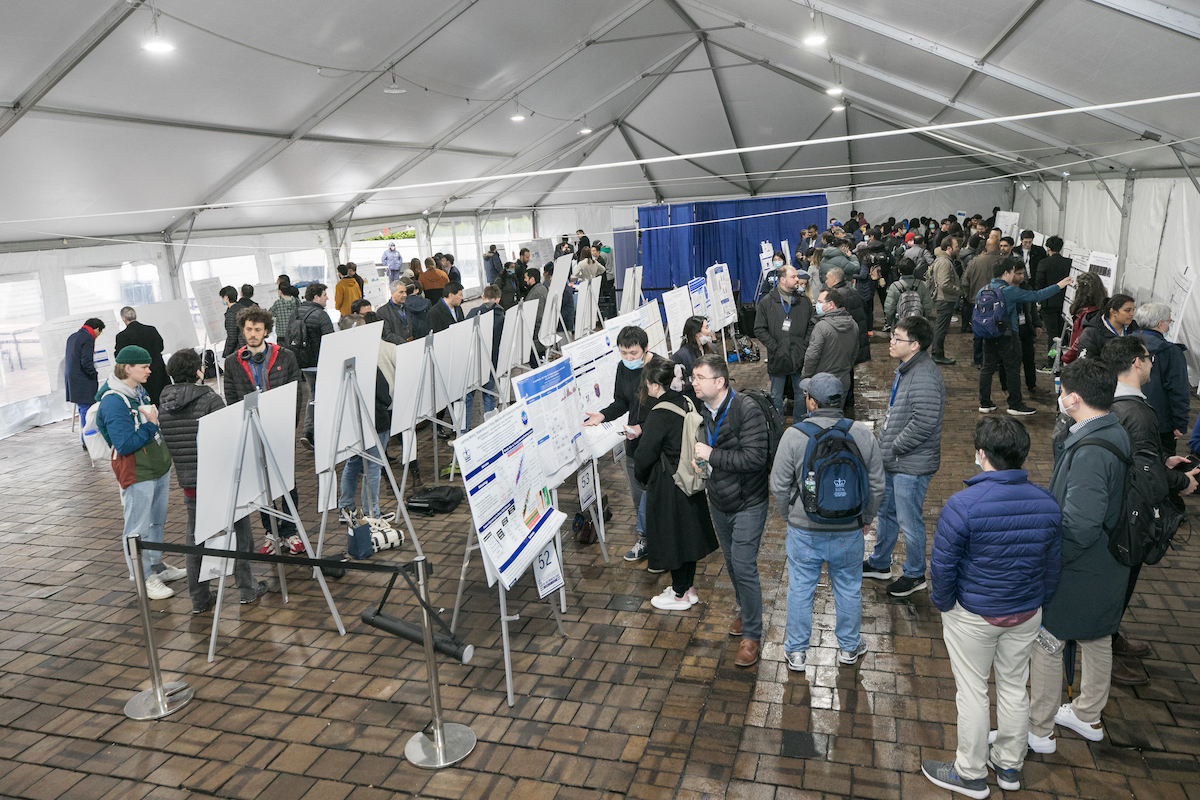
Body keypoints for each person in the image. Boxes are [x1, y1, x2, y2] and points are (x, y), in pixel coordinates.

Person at [921, 416, 1061, 797]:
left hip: (975, 614)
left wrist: (944, 605)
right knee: (1015, 687)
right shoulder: (1047, 504)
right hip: (1026, 611)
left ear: (981, 454)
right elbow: (1052, 566)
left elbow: (943, 567)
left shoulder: (963, 505)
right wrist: (1040, 601)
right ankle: (1009, 765)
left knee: (972, 691)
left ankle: (969, 772)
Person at [1028, 359, 1130, 752]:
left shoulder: (1090, 452)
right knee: (1097, 635)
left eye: (1062, 391)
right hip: (1107, 564)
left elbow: (1080, 525)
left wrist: (1051, 562)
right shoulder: (1113, 430)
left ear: (1073, 399)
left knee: (1048, 640)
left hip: (1081, 567)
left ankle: (1039, 730)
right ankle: (1088, 714)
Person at [772, 373, 885, 670]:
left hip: (804, 529)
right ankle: (849, 647)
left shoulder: (794, 435)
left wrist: (789, 515)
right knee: (848, 588)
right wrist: (866, 518)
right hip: (849, 529)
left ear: (812, 402)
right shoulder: (861, 433)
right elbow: (877, 484)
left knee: (800, 588)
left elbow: (779, 485)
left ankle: (797, 652)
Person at [1103, 336, 1198, 686]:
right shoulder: (1137, 411)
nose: (1152, 363)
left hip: (1115, 506)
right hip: (1129, 512)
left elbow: (1135, 455)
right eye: (1148, 357)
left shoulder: (1111, 400)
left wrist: (1163, 459)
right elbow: (1145, 472)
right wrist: (1180, 480)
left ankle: (1110, 638)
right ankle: (1104, 652)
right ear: (1136, 362)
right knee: (1119, 583)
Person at [159, 349, 267, 612]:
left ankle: (199, 598)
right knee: (241, 534)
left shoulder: (163, 404)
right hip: (221, 481)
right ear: (198, 371)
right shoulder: (210, 399)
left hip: (190, 484)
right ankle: (247, 588)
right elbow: (229, 438)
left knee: (196, 541)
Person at [690, 355, 769, 666]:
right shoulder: (705, 410)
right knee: (733, 562)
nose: (693, 383)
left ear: (720, 382)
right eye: (693, 377)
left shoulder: (746, 410)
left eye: (700, 377)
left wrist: (712, 455)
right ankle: (745, 610)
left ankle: (752, 635)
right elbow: (714, 448)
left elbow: (755, 459)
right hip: (720, 500)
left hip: (749, 501)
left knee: (744, 565)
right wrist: (703, 461)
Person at [863, 316, 945, 597]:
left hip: (910, 464)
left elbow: (924, 422)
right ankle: (879, 563)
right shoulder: (908, 369)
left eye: (897, 338)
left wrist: (895, 446)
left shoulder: (924, 376)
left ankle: (914, 574)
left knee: (909, 522)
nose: (891, 342)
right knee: (887, 513)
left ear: (915, 345)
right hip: (896, 461)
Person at [95, 345, 183, 600]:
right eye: (144, 366)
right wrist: (151, 425)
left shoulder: (137, 390)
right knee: (137, 528)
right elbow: (124, 445)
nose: (149, 370)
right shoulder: (113, 401)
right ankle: (143, 576)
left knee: (156, 521)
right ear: (127, 368)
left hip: (156, 467)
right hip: (137, 473)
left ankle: (155, 566)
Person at [634, 359, 719, 611]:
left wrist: (642, 477)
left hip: (669, 483)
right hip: (690, 477)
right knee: (688, 537)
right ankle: (688, 587)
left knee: (672, 539)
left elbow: (644, 455)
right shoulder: (686, 401)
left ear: (652, 384)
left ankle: (680, 593)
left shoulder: (659, 413)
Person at [223, 306, 305, 552]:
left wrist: (289, 425)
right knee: (260, 484)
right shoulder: (232, 362)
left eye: (257, 329)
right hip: (251, 431)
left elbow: (296, 394)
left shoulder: (285, 356)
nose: (252, 334)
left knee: (287, 482)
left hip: (279, 429)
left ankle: (290, 531)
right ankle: (271, 531)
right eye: (248, 329)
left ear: (266, 331)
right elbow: (231, 398)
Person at [584, 326, 653, 563]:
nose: (629, 358)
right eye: (623, 353)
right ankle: (645, 539)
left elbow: (668, 409)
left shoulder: (659, 368)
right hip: (634, 444)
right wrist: (603, 415)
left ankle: (662, 541)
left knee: (657, 497)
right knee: (639, 497)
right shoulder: (623, 368)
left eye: (633, 353)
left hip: (658, 444)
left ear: (645, 348)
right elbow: (622, 402)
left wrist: (642, 427)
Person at [978, 258, 1071, 416]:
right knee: (1012, 369)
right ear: (1006, 273)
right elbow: (1035, 296)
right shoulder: (1009, 291)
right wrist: (1059, 286)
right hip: (1009, 336)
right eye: (1013, 272)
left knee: (987, 368)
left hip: (988, 334)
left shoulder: (983, 290)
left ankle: (985, 403)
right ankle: (1015, 404)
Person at [334, 315, 393, 520]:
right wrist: (386, 404)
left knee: (353, 463)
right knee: (373, 466)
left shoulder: (337, 359)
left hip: (350, 421)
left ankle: (346, 508)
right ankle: (371, 512)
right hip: (375, 419)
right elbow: (383, 391)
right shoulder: (366, 357)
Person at [754, 265, 814, 421]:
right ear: (782, 280)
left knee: (801, 394)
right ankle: (777, 425)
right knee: (776, 396)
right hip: (778, 357)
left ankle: (800, 426)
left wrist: (804, 344)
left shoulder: (804, 301)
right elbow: (759, 329)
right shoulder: (767, 302)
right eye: (793, 277)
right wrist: (775, 347)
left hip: (799, 356)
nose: (797, 279)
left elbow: (812, 324)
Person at [1133, 303, 1191, 454]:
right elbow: (1179, 390)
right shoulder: (1171, 352)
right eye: (1169, 321)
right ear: (1160, 324)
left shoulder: (1121, 344)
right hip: (1160, 423)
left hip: (1125, 417)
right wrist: (1180, 423)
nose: (1169, 325)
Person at [996, 265, 1044, 400]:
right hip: (1010, 330)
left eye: (1023, 273)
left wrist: (1037, 324)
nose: (1021, 276)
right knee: (1007, 361)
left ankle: (1032, 385)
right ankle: (1006, 387)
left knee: (1029, 358)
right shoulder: (1004, 290)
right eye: (1018, 273)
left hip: (1025, 328)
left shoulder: (1026, 288)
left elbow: (1032, 307)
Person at [295, 283, 334, 449]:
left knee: (313, 395)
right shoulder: (321, 315)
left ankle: (308, 433)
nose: (327, 298)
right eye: (325, 295)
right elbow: (330, 340)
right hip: (320, 362)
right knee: (324, 397)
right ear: (316, 297)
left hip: (304, 364)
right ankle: (321, 434)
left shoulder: (296, 312)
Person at [462, 284, 505, 433]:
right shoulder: (502, 316)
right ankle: (493, 430)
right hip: (492, 361)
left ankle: (463, 432)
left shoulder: (473, 313)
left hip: (473, 362)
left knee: (468, 398)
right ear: (498, 299)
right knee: (489, 395)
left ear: (483, 297)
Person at [802, 289, 858, 394]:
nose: (817, 305)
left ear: (831, 305)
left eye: (820, 302)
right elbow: (854, 353)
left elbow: (812, 356)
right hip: (843, 381)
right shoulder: (853, 324)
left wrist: (806, 376)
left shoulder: (821, 326)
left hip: (821, 383)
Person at [115, 307, 169, 404]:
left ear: (123, 319)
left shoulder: (122, 336)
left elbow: (120, 357)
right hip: (159, 370)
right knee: (164, 399)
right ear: (136, 316)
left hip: (139, 374)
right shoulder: (151, 330)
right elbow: (161, 347)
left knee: (148, 402)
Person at [65, 317, 106, 446]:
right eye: (100, 332)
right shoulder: (88, 338)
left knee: (82, 408)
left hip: (72, 378)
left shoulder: (72, 336)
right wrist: (94, 373)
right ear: (97, 329)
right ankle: (88, 440)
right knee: (87, 410)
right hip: (83, 378)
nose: (98, 336)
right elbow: (86, 361)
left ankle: (85, 439)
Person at [962, 238, 1002, 365]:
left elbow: (965, 282)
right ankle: (994, 360)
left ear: (986, 247)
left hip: (977, 301)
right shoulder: (1003, 262)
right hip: (998, 302)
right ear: (999, 247)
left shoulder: (975, 261)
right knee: (996, 330)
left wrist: (969, 297)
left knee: (978, 331)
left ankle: (978, 359)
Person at [1035, 236, 1071, 367]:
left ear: (1047, 248)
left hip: (1048, 303)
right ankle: (1061, 358)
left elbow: (1039, 283)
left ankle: (1052, 361)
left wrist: (1038, 301)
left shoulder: (1044, 263)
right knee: (1062, 332)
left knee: (1052, 334)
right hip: (1064, 304)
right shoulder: (1068, 263)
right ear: (1061, 248)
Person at [1060, 271, 1109, 365]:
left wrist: (1066, 357)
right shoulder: (1100, 308)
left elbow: (1080, 339)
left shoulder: (1087, 314)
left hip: (1082, 359)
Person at [929, 235, 962, 365]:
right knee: (941, 328)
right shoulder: (944, 262)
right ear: (949, 248)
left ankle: (937, 352)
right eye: (956, 246)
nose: (958, 249)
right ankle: (937, 354)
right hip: (945, 299)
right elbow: (944, 284)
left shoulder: (943, 260)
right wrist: (958, 290)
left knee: (940, 327)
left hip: (944, 299)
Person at [1076, 293, 1136, 361]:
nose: (1132, 314)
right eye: (1127, 310)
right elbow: (1086, 363)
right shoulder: (1091, 333)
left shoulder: (1134, 328)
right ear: (1113, 312)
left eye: (1133, 310)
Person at [671, 316, 714, 405]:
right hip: (694, 402)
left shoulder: (712, 349)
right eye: (706, 328)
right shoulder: (681, 356)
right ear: (697, 333)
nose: (709, 331)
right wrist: (695, 380)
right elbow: (677, 383)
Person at [883, 259, 933, 331]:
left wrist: (889, 322)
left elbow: (889, 309)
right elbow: (927, 306)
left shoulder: (894, 286)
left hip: (900, 324)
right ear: (914, 270)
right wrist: (924, 318)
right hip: (917, 322)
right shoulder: (922, 285)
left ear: (899, 271)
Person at [220, 285, 255, 358]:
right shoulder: (243, 308)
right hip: (250, 346)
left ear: (226, 297)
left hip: (240, 350)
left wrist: (226, 354)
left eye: (222, 297)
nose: (222, 300)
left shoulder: (231, 313)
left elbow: (232, 338)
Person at [523, 268, 549, 364]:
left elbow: (538, 316)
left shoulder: (536, 293)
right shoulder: (541, 288)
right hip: (540, 336)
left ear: (532, 279)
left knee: (536, 363)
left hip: (536, 338)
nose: (524, 280)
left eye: (526, 278)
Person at [378, 280, 414, 345]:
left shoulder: (408, 308)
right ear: (392, 294)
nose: (405, 295)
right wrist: (404, 343)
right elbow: (387, 334)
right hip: (395, 347)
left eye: (405, 292)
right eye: (401, 292)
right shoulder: (383, 311)